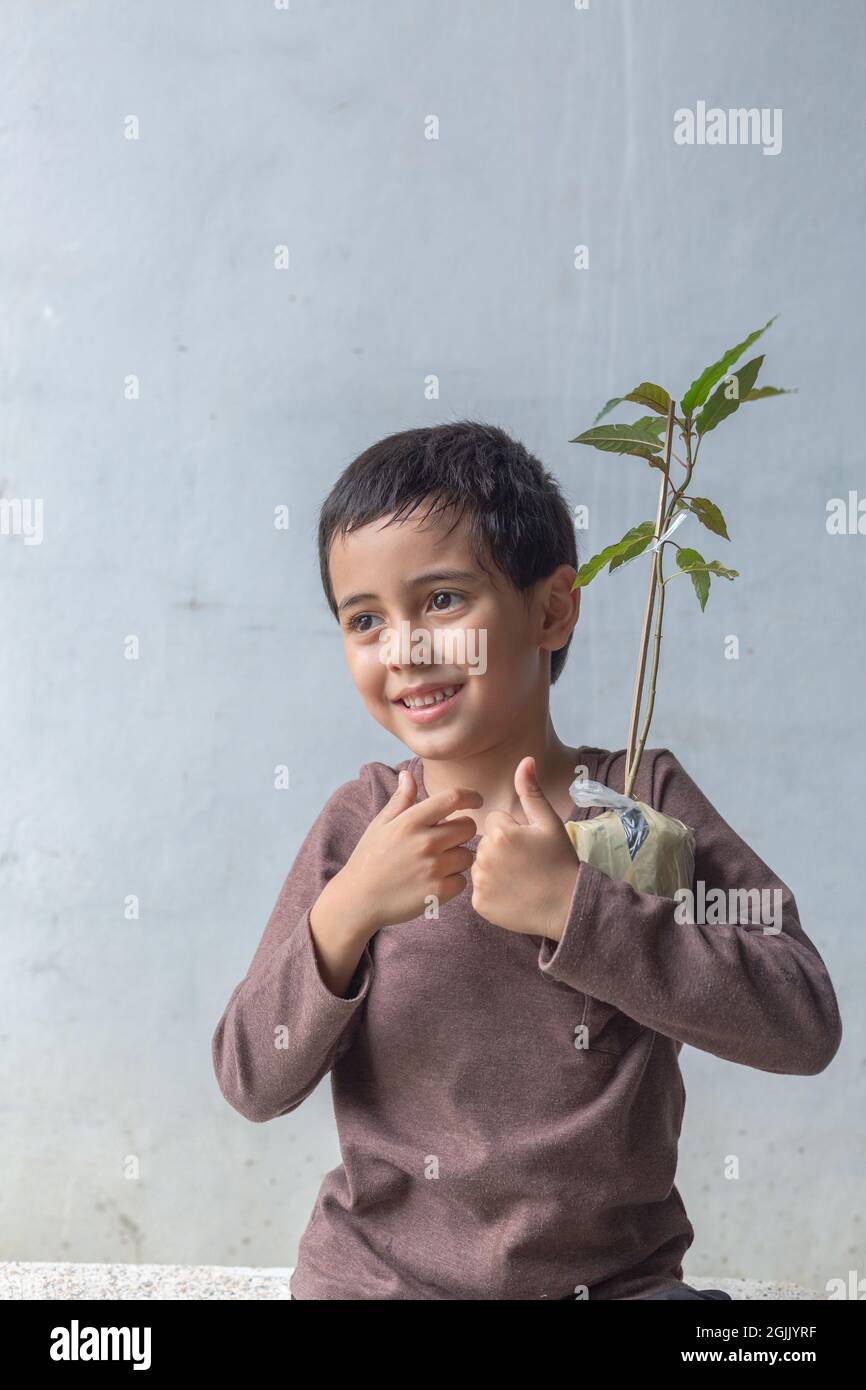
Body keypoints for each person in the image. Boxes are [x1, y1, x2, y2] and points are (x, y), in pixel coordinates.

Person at [212, 421, 842, 1301]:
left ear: (551, 610)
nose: (404, 649)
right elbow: (251, 1077)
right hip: (382, 1286)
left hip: (616, 1285)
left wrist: (575, 908)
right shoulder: (363, 824)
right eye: (365, 619)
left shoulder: (637, 800)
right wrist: (348, 910)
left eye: (440, 601)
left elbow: (802, 1020)